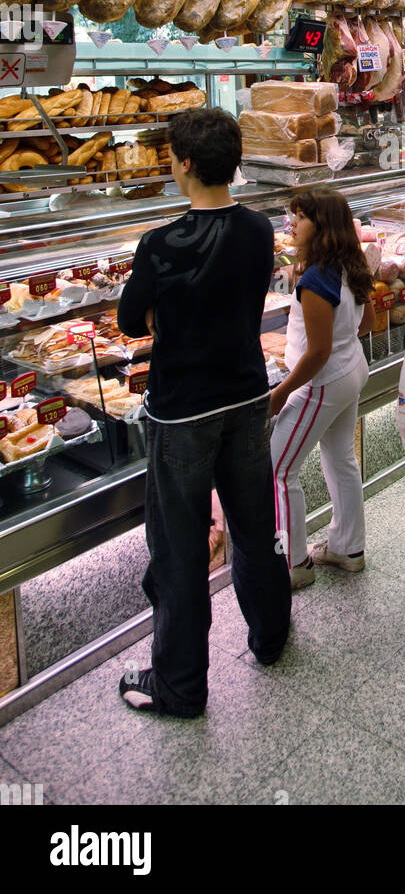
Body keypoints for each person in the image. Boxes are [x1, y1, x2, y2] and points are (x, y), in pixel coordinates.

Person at [116, 110, 291, 717]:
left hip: (182, 412)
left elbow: (127, 319)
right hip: (246, 400)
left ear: (185, 163)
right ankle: (271, 639)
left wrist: (168, 317)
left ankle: (181, 687)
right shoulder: (259, 229)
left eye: (171, 154)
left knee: (180, 552)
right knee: (254, 531)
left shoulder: (159, 244)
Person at [270, 190, 374, 589]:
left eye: (300, 217)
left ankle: (294, 565)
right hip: (352, 370)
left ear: (322, 225)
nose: (292, 224)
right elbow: (368, 324)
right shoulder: (351, 264)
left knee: (280, 470)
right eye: (291, 215)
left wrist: (280, 394)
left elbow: (317, 352)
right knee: (340, 458)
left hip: (322, 382)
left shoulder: (314, 279)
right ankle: (348, 548)